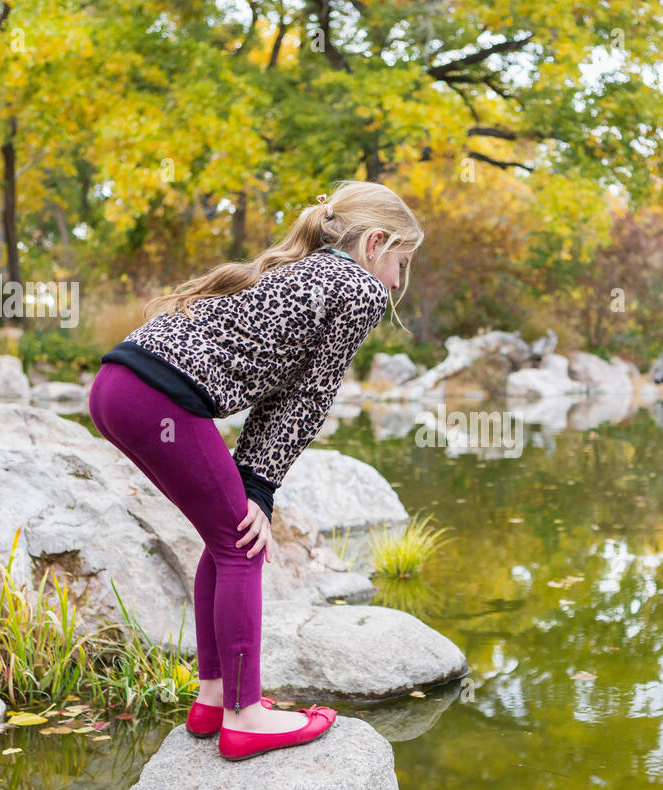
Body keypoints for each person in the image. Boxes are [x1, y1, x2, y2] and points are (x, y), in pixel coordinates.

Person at [88, 180, 423, 760]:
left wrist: (250, 487)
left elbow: (282, 393)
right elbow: (306, 399)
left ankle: (215, 698)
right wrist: (259, 488)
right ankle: (246, 717)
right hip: (160, 397)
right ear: (374, 243)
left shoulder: (309, 271)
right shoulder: (356, 286)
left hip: (119, 388)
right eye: (401, 261)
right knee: (243, 546)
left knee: (226, 540)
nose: (396, 281)